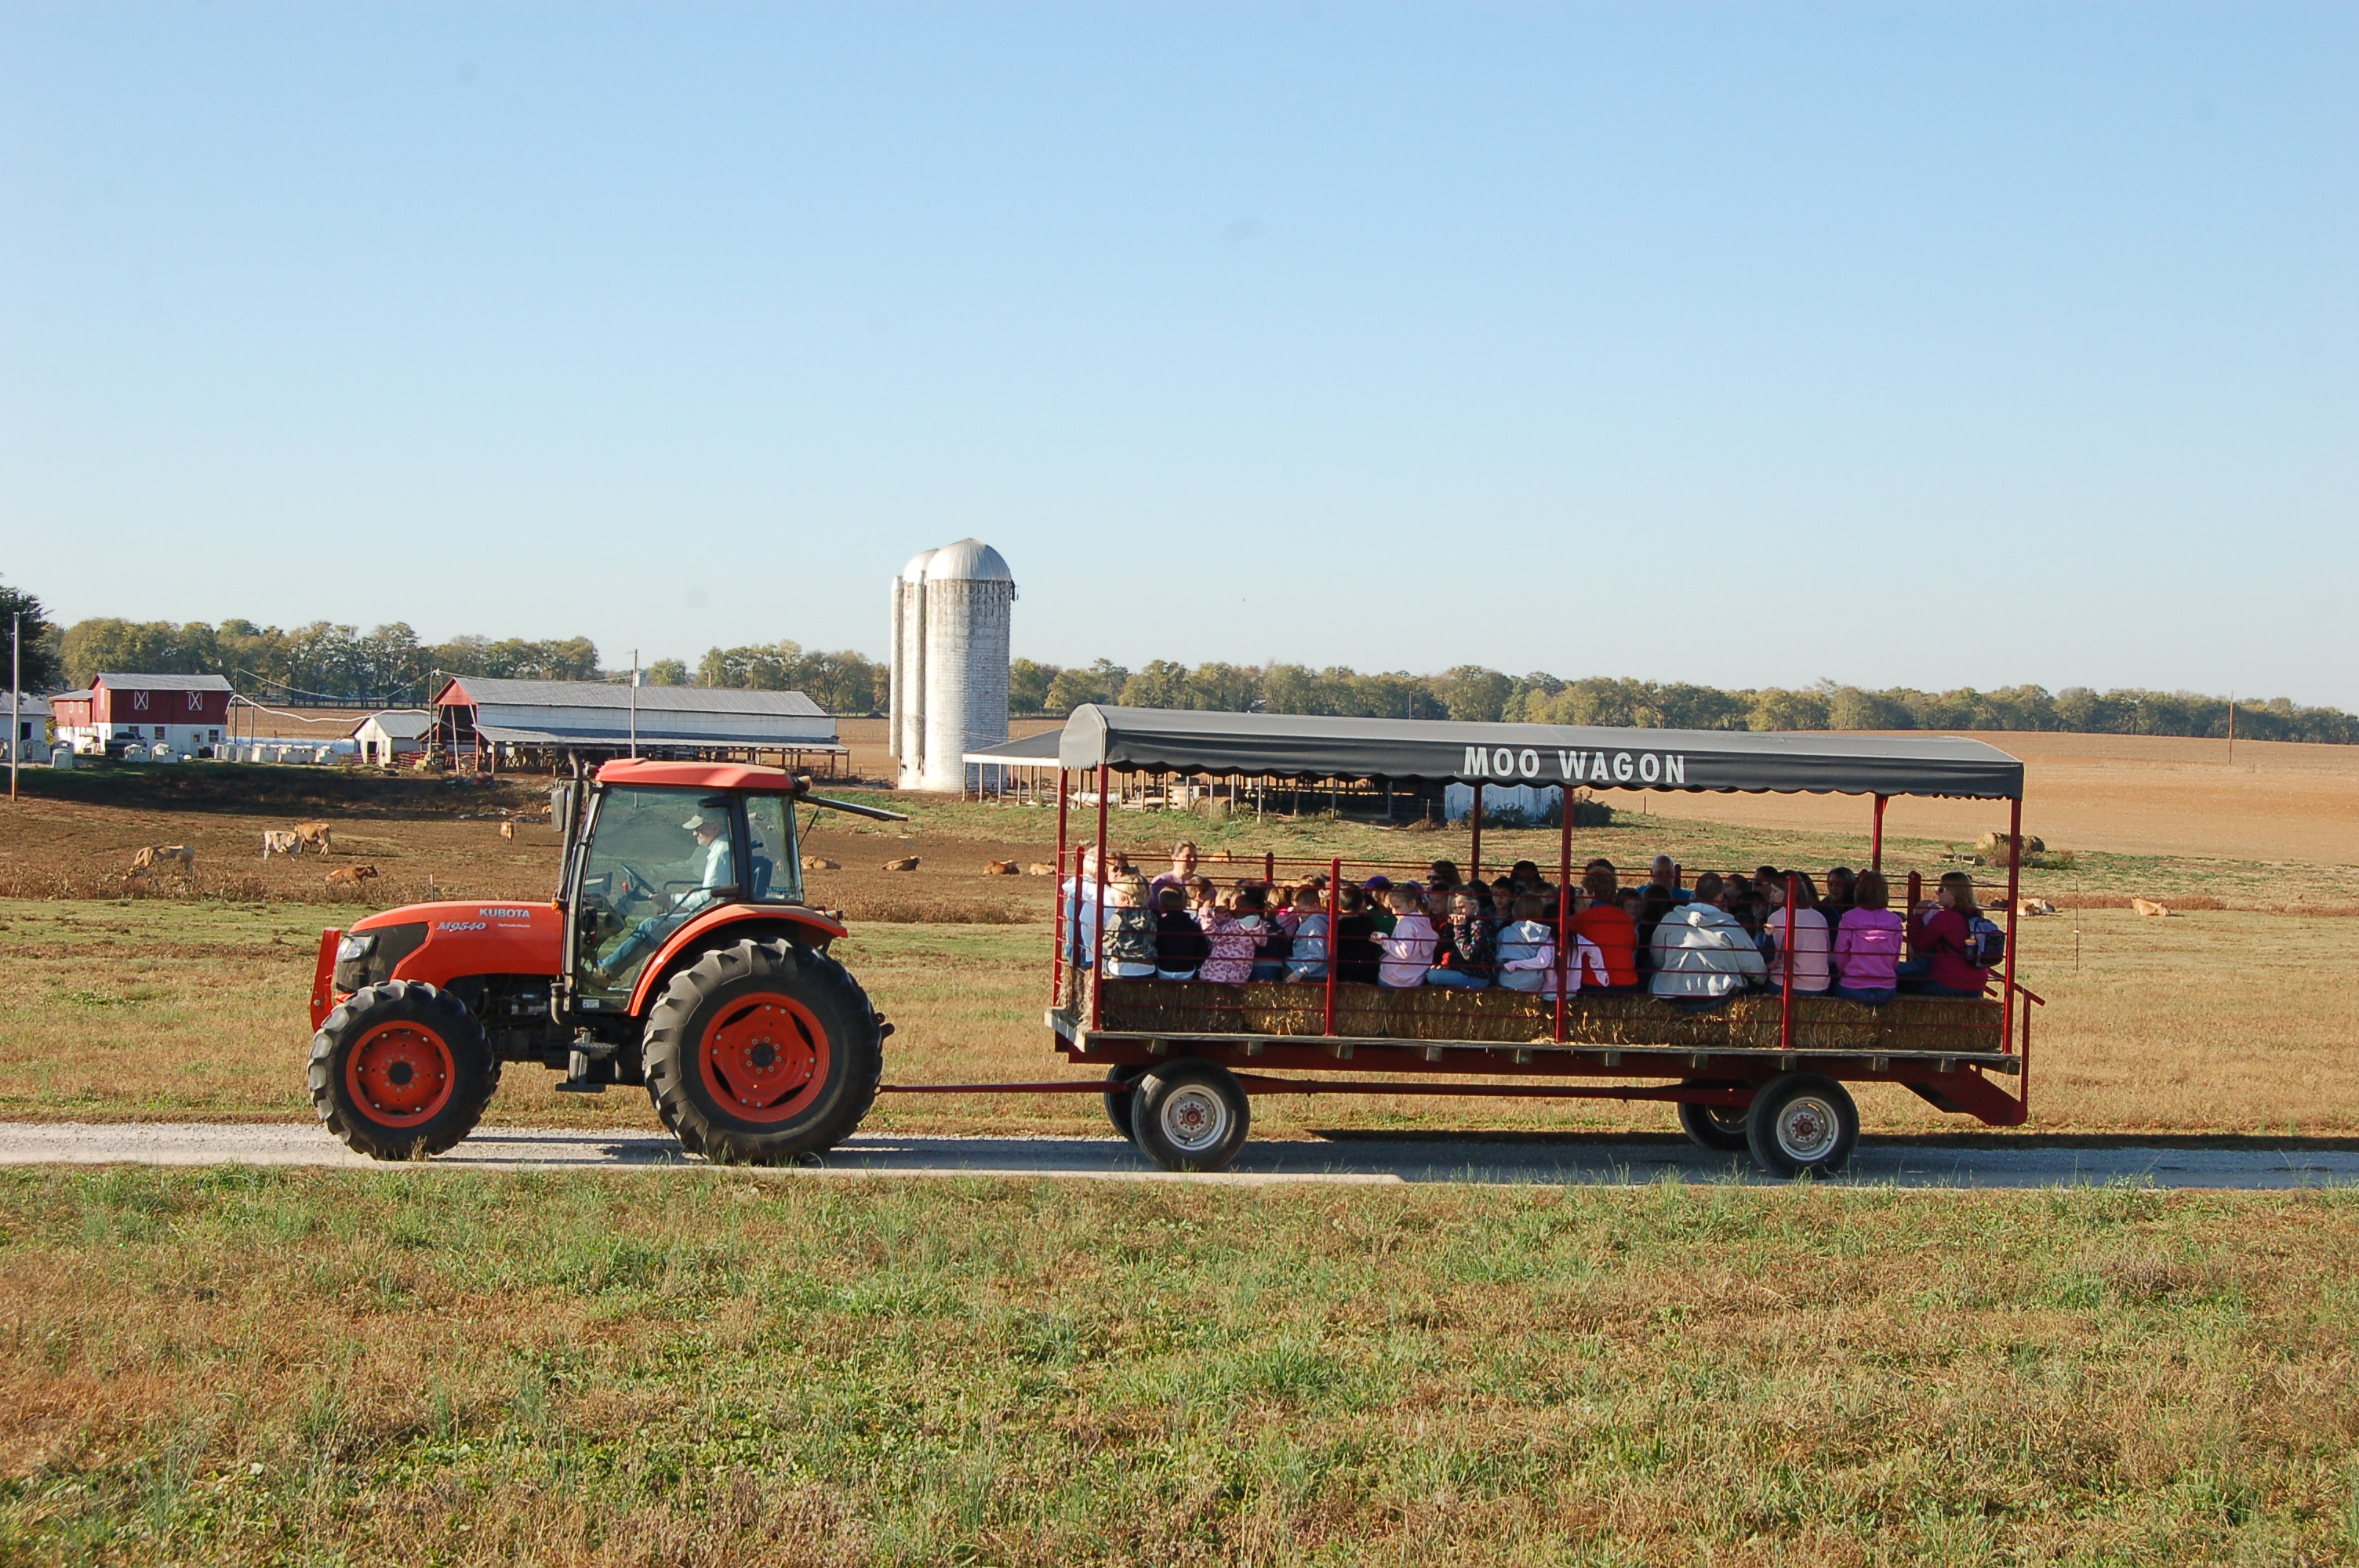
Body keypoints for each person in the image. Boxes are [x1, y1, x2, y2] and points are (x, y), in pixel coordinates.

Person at [593, 809, 736, 982]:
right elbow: (708, 887)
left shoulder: (721, 852)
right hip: (714, 912)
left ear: (715, 827)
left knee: (650, 926)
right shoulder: (721, 848)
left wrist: (671, 899)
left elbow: (708, 896)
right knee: (659, 920)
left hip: (712, 918)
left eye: (699, 828)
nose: (694, 833)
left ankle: (603, 975)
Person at [1647, 872, 1766, 1000]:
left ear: (1695, 893)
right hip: (1717, 996)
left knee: (1654, 978)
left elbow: (1657, 958)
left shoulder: (1670, 920)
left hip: (1672, 994)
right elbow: (1756, 969)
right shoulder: (1731, 928)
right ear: (1720, 897)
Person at [1903, 870, 1993, 997]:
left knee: (1893, 982)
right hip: (1977, 986)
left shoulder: (1945, 918)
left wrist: (1918, 914)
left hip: (1948, 984)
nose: (1937, 892)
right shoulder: (1976, 915)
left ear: (1953, 895)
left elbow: (1918, 946)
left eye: (1941, 889)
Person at [1830, 869, 1903, 1004]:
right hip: (1886, 989)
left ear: (1859, 891)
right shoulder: (1895, 922)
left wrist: (1844, 971)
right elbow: (1895, 957)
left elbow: (1841, 954)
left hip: (1853, 987)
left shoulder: (1849, 919)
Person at [1571, 864, 1641, 991]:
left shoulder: (1580, 920)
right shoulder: (1627, 919)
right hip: (1627, 984)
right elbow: (1632, 947)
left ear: (1591, 893)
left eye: (1585, 892)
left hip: (1593, 983)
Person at [1761, 871, 1832, 995]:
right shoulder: (1819, 917)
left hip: (1786, 984)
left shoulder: (1777, 917)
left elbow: (1772, 961)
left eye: (1775, 891)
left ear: (1787, 893)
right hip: (1818, 985)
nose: (1771, 895)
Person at [1426, 888, 1496, 988]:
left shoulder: (1479, 925)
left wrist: (1459, 929)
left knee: (1432, 976)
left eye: (1462, 907)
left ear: (1472, 905)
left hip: (1477, 978)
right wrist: (1450, 927)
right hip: (1461, 971)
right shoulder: (1465, 923)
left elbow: (1469, 955)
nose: (1458, 911)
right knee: (1431, 971)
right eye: (1454, 908)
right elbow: (1448, 946)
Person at [1098, 873, 1159, 979]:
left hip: (1121, 969)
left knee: (1101, 953)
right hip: (1147, 969)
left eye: (1115, 899)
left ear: (1125, 899)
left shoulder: (1119, 916)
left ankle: (1103, 978)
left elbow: (1108, 942)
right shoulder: (1153, 916)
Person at [1494, 895, 1558, 992]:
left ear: (1515, 910)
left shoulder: (1506, 932)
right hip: (1535, 983)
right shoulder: (1545, 934)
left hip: (1510, 981)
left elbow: (1499, 958)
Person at [1377, 887, 1439, 988]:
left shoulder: (1405, 922)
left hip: (1394, 979)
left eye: (1397, 907)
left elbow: (1403, 951)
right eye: (1392, 908)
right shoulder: (1424, 921)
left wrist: (1384, 941)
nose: (1393, 912)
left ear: (1412, 903)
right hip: (1415, 980)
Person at [1198, 887, 1260, 985]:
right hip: (1231, 973)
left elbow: (1216, 935)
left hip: (1223, 974)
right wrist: (1219, 915)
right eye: (1232, 905)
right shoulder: (1249, 921)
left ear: (1252, 906)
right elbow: (1227, 925)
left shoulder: (1241, 926)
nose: (1235, 909)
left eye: (1241, 906)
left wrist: (1206, 913)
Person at [1153, 884, 1209, 980]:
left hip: (1164, 969)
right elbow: (1202, 951)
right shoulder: (1194, 926)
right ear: (1184, 904)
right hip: (1187, 970)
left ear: (1161, 906)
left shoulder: (1158, 925)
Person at [1332, 884, 1382, 985]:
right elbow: (1376, 944)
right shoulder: (1368, 921)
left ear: (1339, 907)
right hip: (1368, 973)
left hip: (1342, 973)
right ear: (1362, 904)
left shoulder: (1336, 925)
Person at [1284, 885, 1329, 982]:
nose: (1298, 913)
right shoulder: (1322, 921)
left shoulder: (1313, 925)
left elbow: (1316, 955)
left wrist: (1299, 972)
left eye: (1302, 910)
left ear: (1315, 906)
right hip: (1317, 972)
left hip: (1308, 974)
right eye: (1296, 910)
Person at [1148, 840, 1199, 904]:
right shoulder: (1161, 882)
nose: (1193, 860)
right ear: (1174, 858)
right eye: (1188, 856)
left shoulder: (1202, 883)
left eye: (1195, 856)